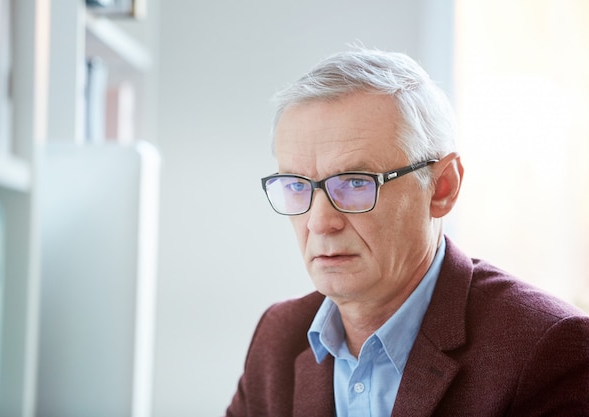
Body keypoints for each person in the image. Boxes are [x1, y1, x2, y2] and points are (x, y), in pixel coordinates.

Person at [225, 48, 589, 417]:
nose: (320, 222)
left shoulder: (547, 348)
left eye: (355, 182)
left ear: (442, 187)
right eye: (298, 185)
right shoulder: (278, 338)